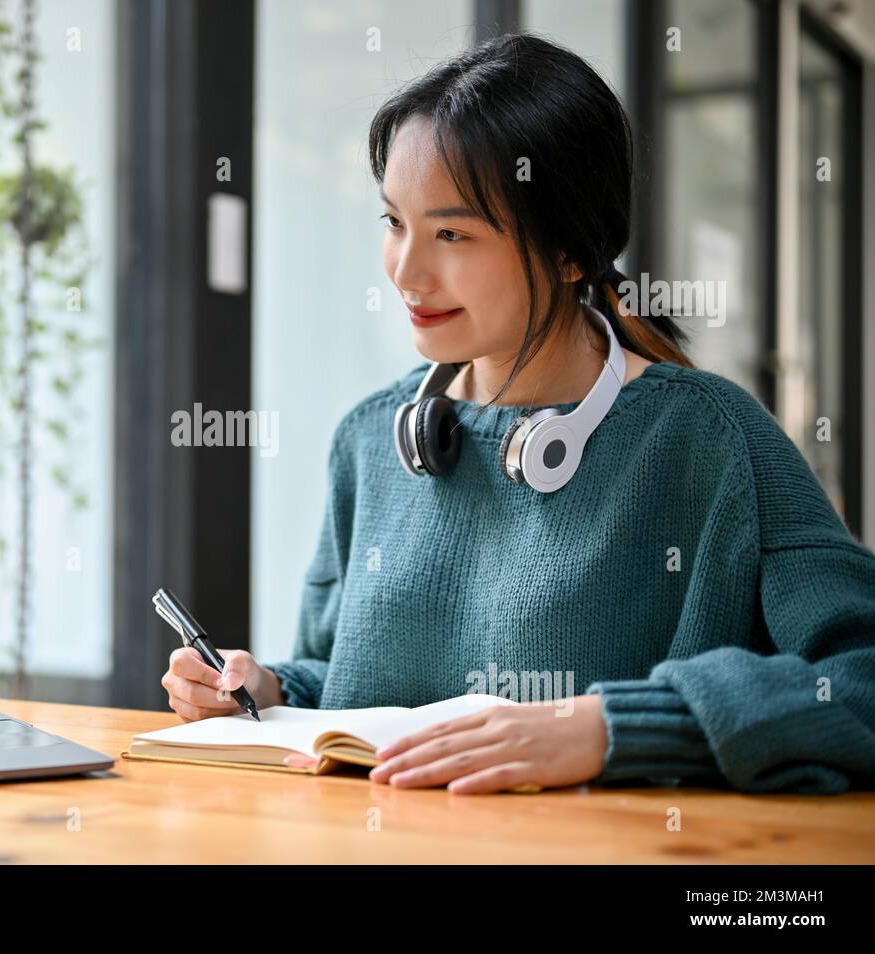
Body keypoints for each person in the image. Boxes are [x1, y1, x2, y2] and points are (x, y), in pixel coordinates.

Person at [160, 33, 875, 795]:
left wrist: (608, 730)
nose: (407, 270)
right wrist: (268, 692)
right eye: (394, 223)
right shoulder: (372, 439)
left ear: (571, 250)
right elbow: (348, 682)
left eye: (452, 234)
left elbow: (859, 680)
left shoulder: (708, 440)